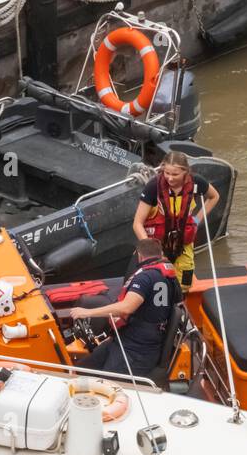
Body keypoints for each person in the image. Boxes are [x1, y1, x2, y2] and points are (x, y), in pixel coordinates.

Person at [71, 237, 181, 377]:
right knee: (80, 370)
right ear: (160, 254)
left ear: (139, 256)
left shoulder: (145, 278)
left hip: (136, 350)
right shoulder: (169, 276)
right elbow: (177, 299)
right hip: (131, 338)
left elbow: (127, 307)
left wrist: (87, 312)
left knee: (105, 382)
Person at [133, 150, 220, 288]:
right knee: (155, 285)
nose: (170, 178)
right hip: (157, 246)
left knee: (184, 285)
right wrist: (152, 252)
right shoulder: (153, 187)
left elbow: (214, 196)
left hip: (183, 245)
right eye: (167, 173)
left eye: (175, 174)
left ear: (186, 172)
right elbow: (137, 223)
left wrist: (197, 220)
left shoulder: (196, 183)